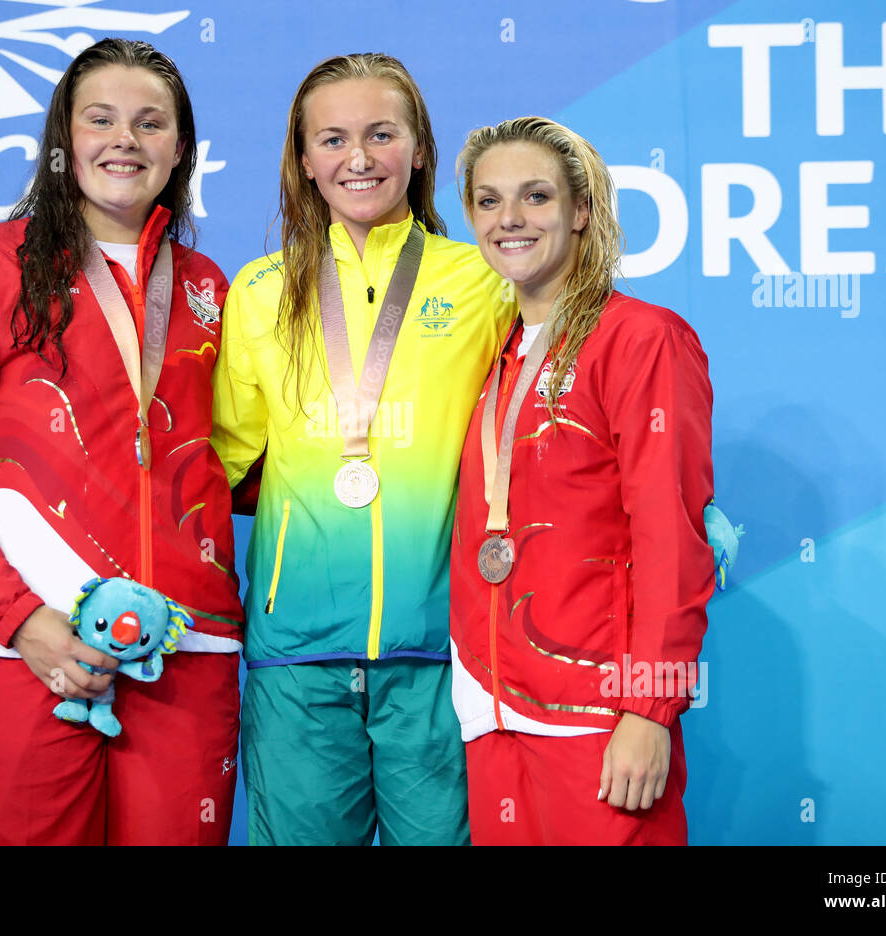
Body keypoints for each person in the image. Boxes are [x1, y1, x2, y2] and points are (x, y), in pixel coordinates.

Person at [0, 39, 243, 845]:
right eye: (101, 119)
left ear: (181, 149)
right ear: (61, 139)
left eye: (151, 123)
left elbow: (234, 461)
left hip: (186, 649)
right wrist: (17, 619)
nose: (125, 140)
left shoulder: (212, 288)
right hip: (28, 648)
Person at [211, 53, 514, 845]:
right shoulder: (259, 292)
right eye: (334, 138)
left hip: (442, 653)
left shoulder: (485, 277)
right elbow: (219, 467)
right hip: (297, 659)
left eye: (382, 134)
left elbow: (556, 402)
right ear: (303, 160)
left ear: (418, 150)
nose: (359, 157)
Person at [450, 116, 715, 845]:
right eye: (488, 200)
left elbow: (673, 534)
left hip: (599, 713)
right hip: (492, 706)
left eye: (536, 197)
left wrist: (650, 710)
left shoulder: (641, 338)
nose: (510, 219)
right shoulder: (491, 354)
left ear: (582, 211)